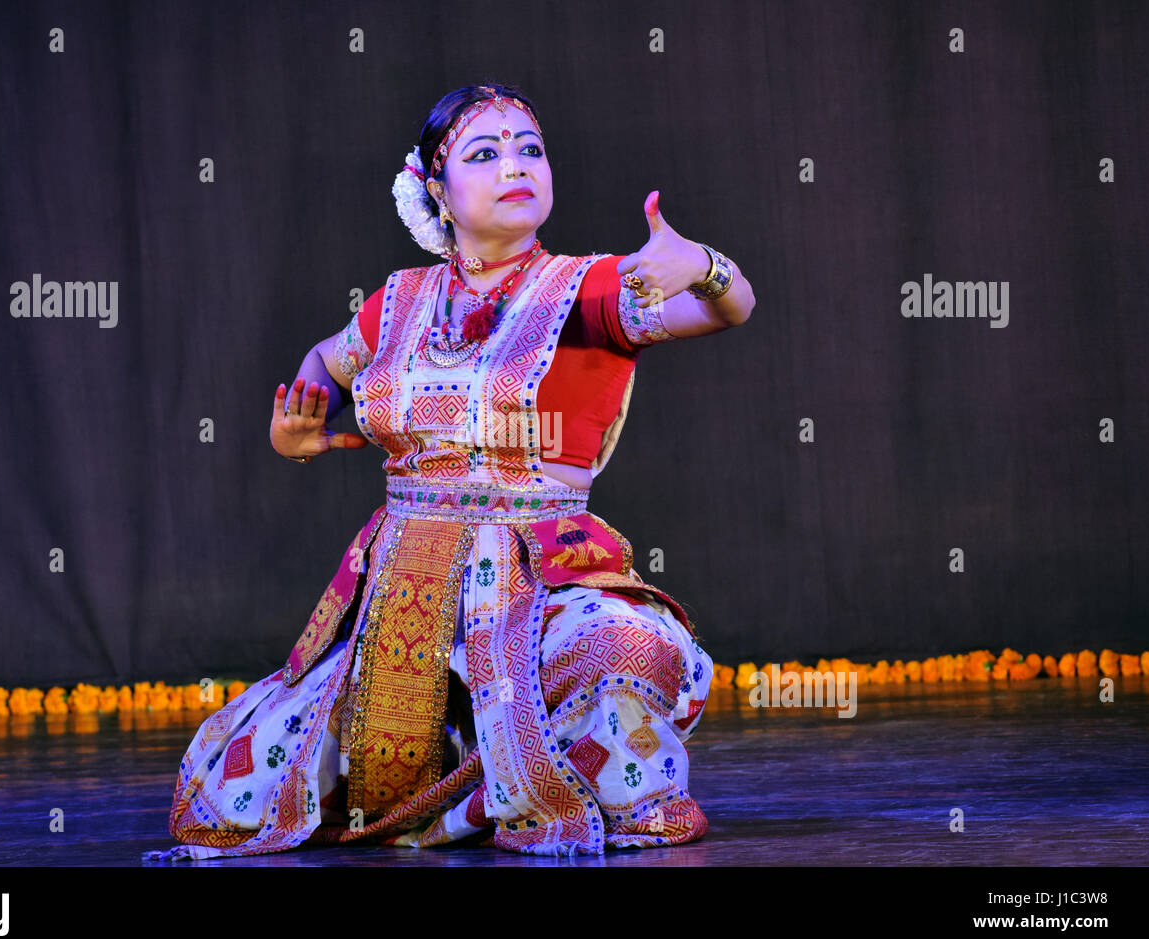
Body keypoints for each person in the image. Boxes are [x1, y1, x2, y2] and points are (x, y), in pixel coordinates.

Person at [143, 81, 755, 861]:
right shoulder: (398, 301)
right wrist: (296, 426)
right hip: (405, 596)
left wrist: (700, 264)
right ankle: (472, 769)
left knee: (626, 651)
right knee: (237, 785)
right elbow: (326, 364)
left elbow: (728, 307)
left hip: (539, 582)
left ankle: (520, 773)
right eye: (485, 153)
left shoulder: (584, 289)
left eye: (530, 149)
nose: (515, 166)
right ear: (437, 189)